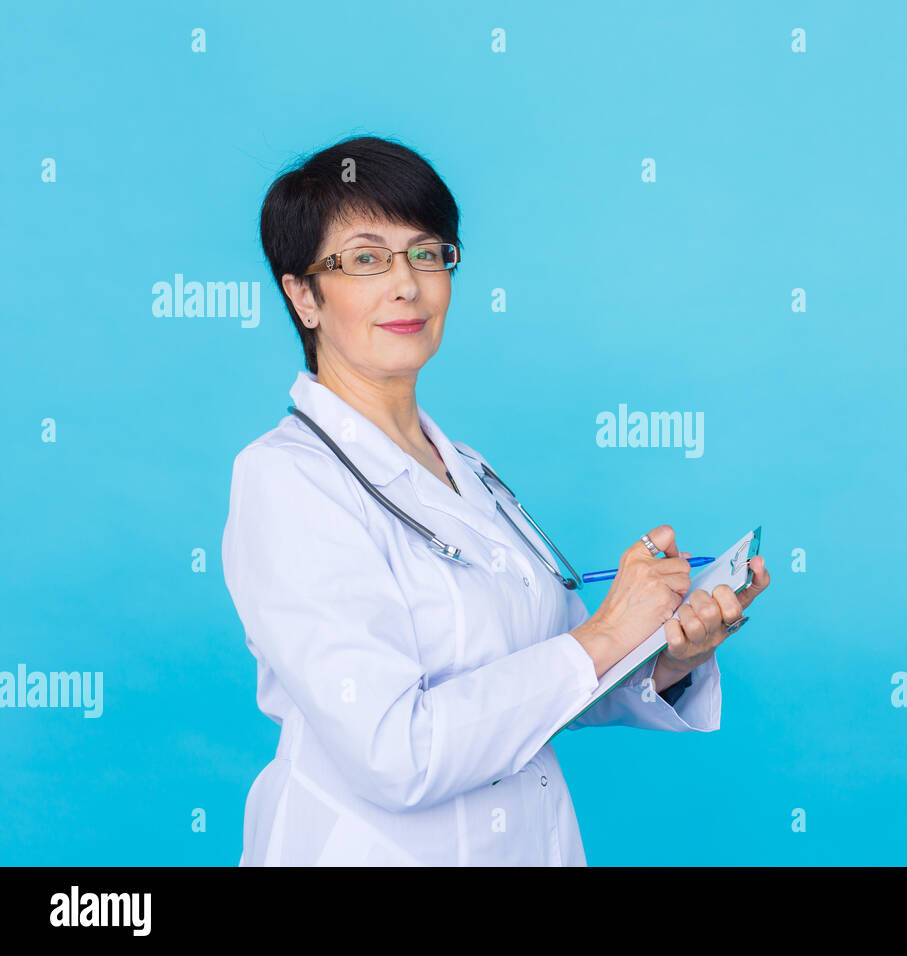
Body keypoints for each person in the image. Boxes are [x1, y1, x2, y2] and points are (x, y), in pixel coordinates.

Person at [221, 135, 770, 865]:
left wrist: (664, 652)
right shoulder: (286, 482)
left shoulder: (467, 471)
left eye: (427, 252)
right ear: (303, 295)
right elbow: (397, 752)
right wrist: (603, 636)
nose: (405, 284)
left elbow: (547, 678)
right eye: (364, 259)